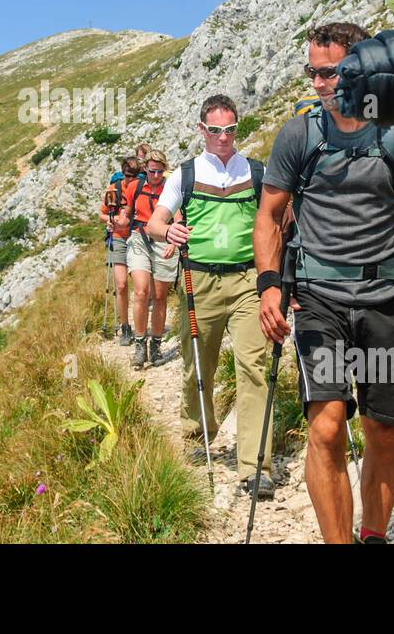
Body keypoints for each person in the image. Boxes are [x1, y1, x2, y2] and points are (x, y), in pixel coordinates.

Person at [254, 23, 394, 542]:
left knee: (383, 429)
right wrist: (270, 285)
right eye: (312, 71)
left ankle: (374, 535)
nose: (319, 82)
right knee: (327, 425)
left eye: (330, 71)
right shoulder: (300, 135)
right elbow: (269, 216)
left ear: (360, 68)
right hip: (318, 300)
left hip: (384, 298)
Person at [148, 94, 275, 497]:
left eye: (231, 129)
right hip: (198, 283)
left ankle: (256, 466)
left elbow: (277, 220)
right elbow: (154, 223)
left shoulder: (257, 172)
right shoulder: (184, 175)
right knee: (197, 366)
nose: (224, 137)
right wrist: (168, 231)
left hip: (246, 283)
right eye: (216, 130)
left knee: (254, 366)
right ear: (202, 130)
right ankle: (195, 433)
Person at [121, 149, 177, 369]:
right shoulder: (135, 187)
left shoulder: (170, 187)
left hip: (164, 239)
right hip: (139, 238)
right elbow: (127, 214)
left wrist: (173, 242)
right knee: (142, 291)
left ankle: (155, 346)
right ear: (145, 169)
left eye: (160, 172)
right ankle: (139, 343)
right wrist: (118, 221)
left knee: (161, 296)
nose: (156, 176)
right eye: (152, 171)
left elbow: (178, 218)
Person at [100, 156, 143, 345]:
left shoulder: (142, 188)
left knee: (141, 286)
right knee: (122, 284)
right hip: (118, 238)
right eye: (127, 176)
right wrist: (108, 221)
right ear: (122, 173)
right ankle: (125, 326)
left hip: (137, 236)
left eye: (134, 176)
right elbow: (102, 213)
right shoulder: (114, 189)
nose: (130, 180)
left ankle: (141, 326)